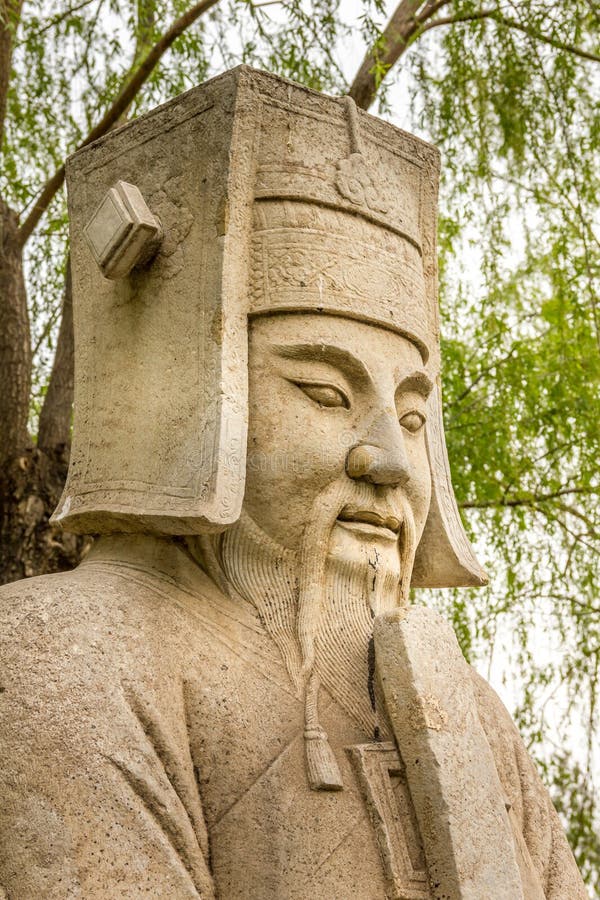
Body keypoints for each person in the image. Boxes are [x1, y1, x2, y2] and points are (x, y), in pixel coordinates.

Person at [0, 67, 586, 898]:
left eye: (411, 416)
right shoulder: (56, 658)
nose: (389, 460)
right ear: (192, 395)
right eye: (324, 392)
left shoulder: (475, 713)